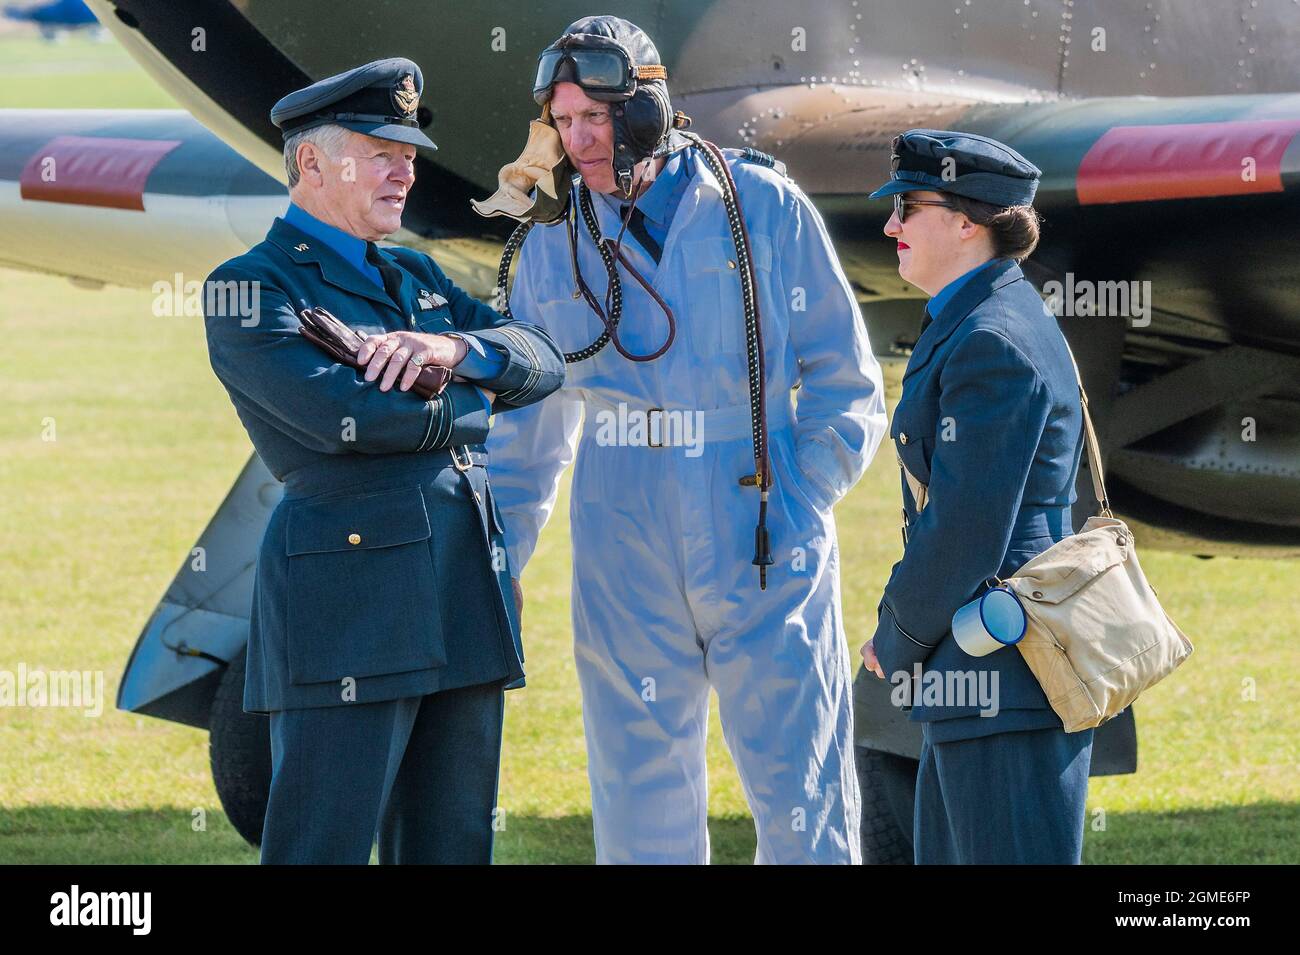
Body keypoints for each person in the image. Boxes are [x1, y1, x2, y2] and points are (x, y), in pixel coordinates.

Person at [482, 16, 887, 864]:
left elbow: (848, 383)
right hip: (621, 540)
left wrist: (802, 496)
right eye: (562, 122)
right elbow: (526, 431)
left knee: (802, 793)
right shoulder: (550, 242)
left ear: (645, 113)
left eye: (595, 118)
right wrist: (499, 561)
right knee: (637, 797)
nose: (578, 141)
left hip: (765, 532)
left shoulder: (764, 208)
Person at [201, 58, 564, 864]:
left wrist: (452, 346)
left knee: (452, 843)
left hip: (463, 591)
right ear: (311, 163)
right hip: (350, 602)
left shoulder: (417, 277)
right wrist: (476, 397)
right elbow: (347, 418)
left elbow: (543, 359)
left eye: (408, 153)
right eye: (380, 151)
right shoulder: (252, 288)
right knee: (321, 842)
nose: (406, 170)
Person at [860, 129, 1093, 864]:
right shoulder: (980, 316)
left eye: (907, 207)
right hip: (982, 674)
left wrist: (893, 639)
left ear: (969, 221)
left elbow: (964, 531)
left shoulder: (991, 336)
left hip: (1006, 679)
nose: (891, 225)